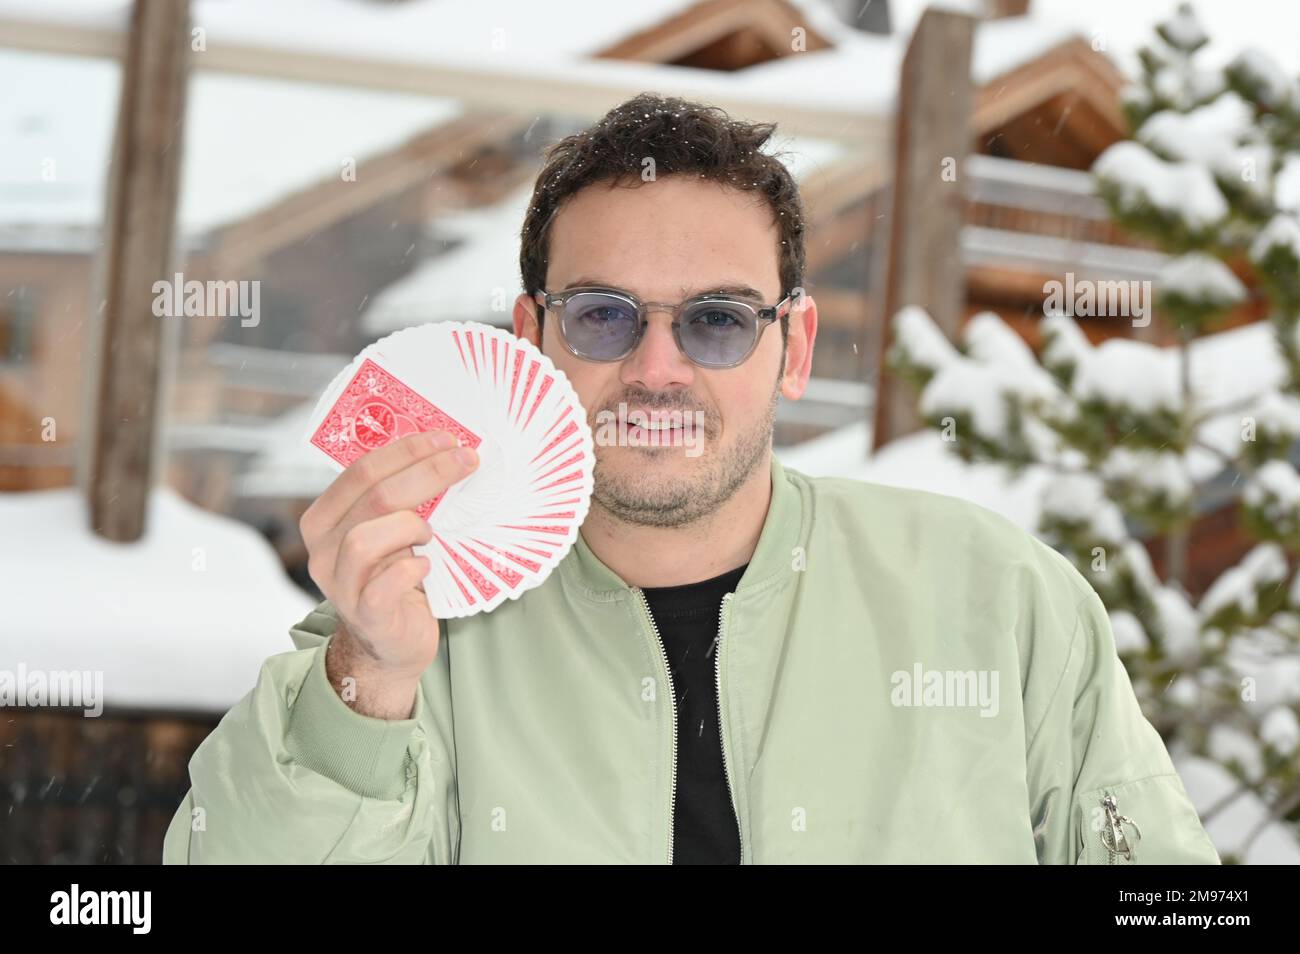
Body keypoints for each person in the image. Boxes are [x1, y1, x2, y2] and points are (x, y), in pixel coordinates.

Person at [163, 93, 1219, 864]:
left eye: (715, 319)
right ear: (534, 335)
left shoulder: (1000, 602)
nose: (656, 367)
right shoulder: (410, 621)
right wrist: (368, 686)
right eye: (604, 315)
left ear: (793, 348)